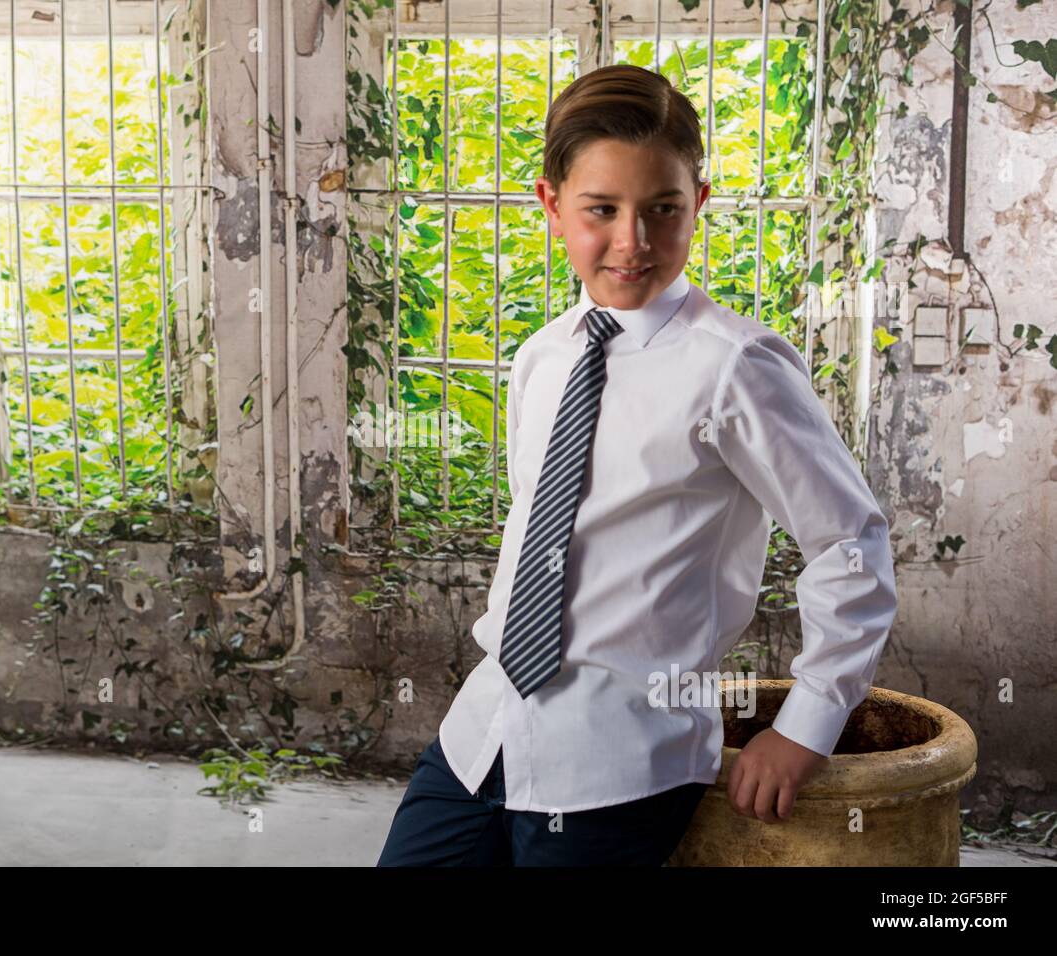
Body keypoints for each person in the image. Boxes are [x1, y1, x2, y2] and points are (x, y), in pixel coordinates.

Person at [375, 64, 898, 866]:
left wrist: (808, 725)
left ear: (700, 204)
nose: (634, 241)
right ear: (550, 207)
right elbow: (540, 531)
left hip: (620, 759)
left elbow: (850, 542)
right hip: (487, 728)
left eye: (663, 209)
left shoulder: (738, 367)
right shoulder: (542, 358)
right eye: (602, 211)